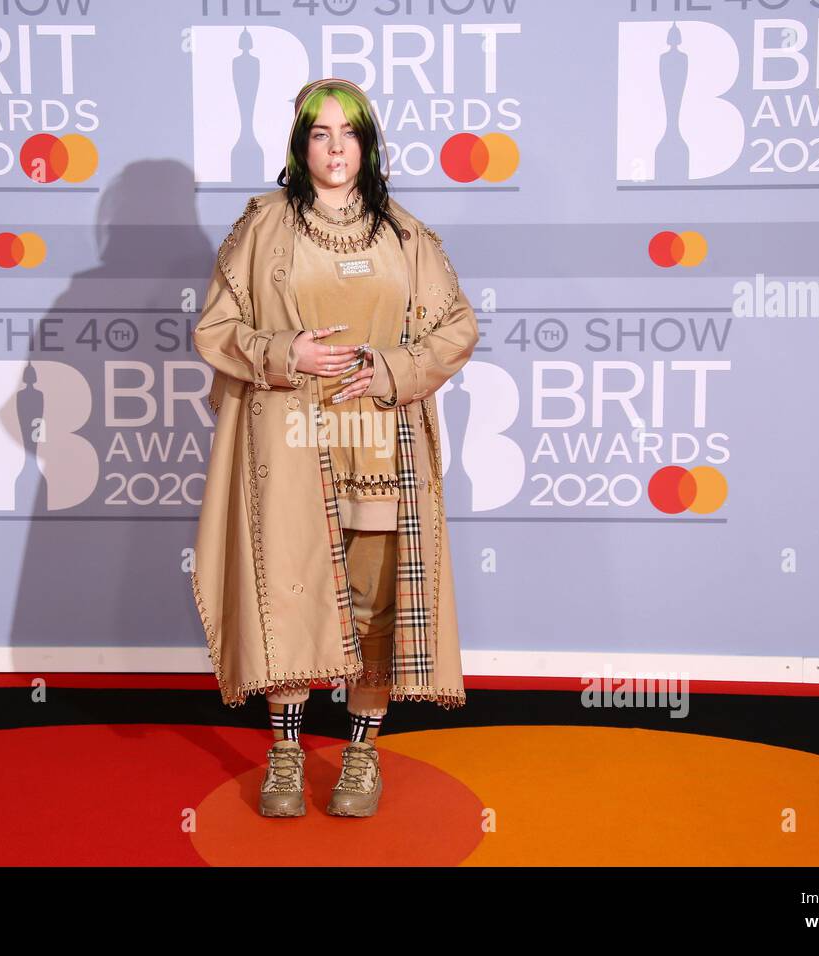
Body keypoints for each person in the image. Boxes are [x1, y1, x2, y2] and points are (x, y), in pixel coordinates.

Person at [190, 77, 479, 818]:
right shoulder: (262, 229)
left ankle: (360, 753)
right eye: (319, 133)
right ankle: (284, 755)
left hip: (381, 451)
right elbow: (215, 332)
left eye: (348, 132)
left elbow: (457, 331)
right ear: (299, 145)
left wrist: (389, 368)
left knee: (376, 609)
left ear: (369, 143)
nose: (335, 147)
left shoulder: (405, 236)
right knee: (289, 595)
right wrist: (287, 355)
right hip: (292, 445)